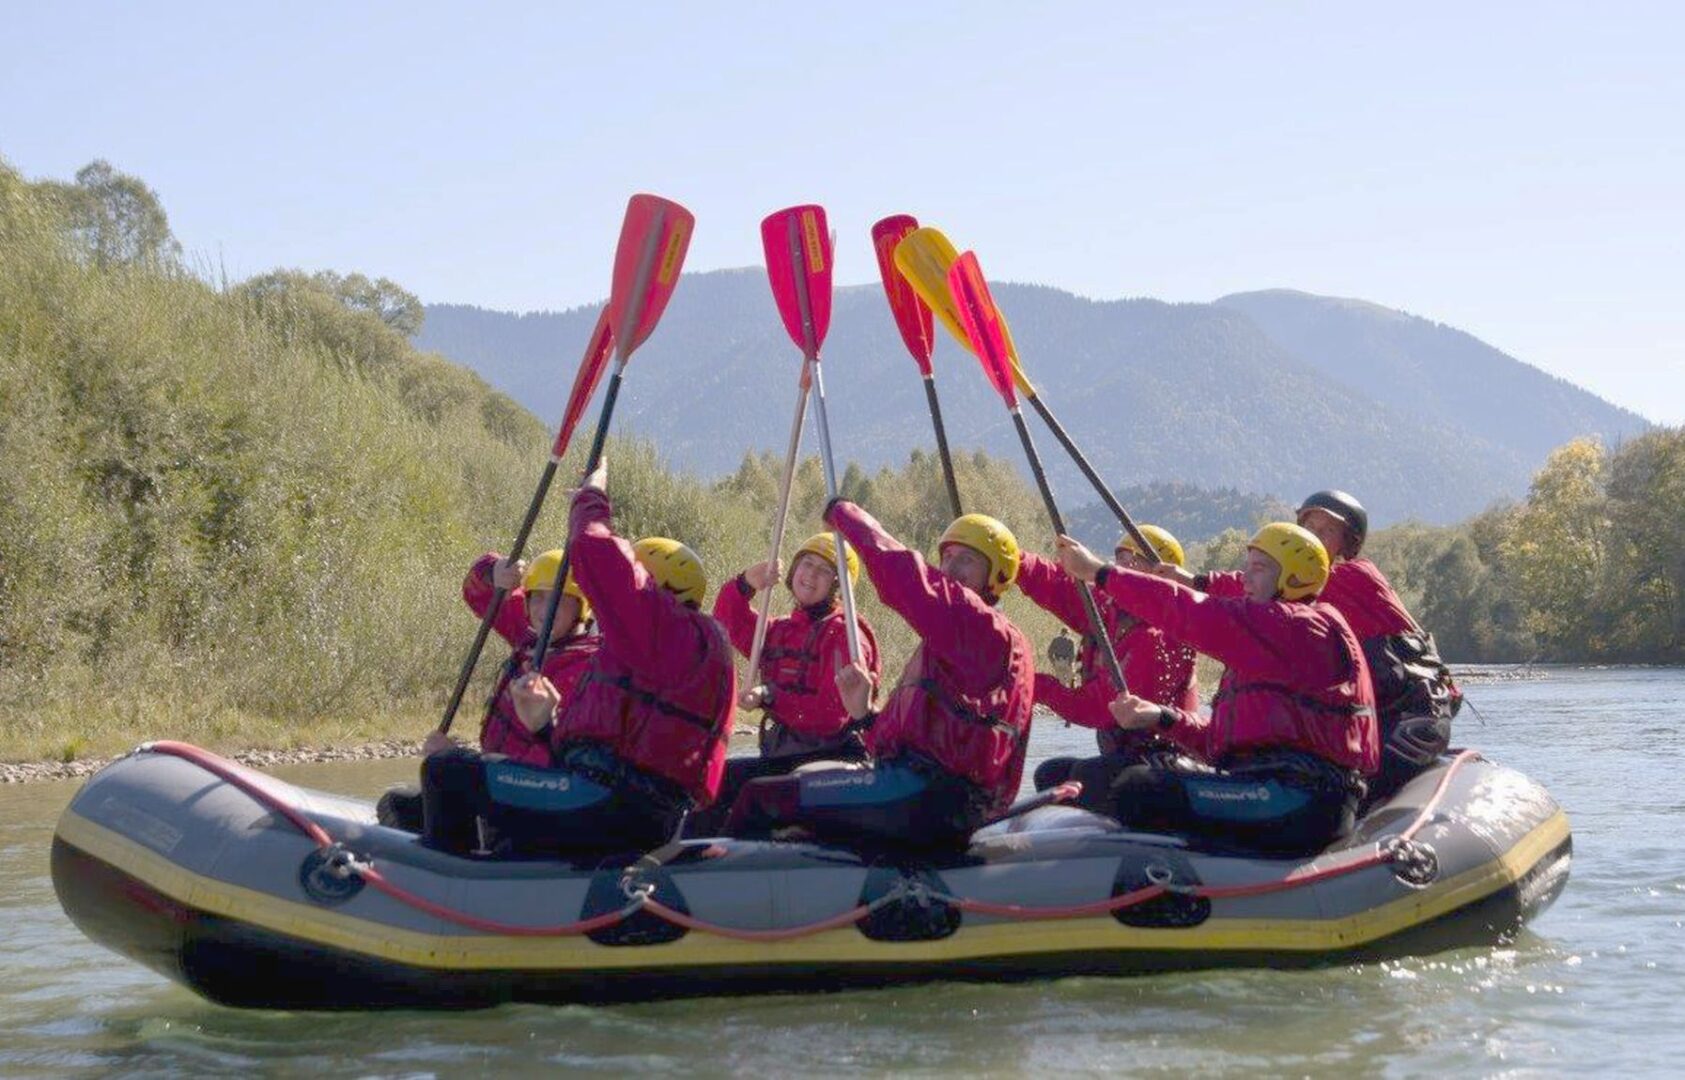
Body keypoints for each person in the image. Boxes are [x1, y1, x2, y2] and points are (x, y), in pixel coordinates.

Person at [419, 459, 735, 857]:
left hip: (606, 803)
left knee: (445, 771)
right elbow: (613, 742)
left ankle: (453, 883)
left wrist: (592, 493)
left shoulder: (660, 629)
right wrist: (546, 727)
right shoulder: (689, 643)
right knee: (447, 780)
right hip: (638, 808)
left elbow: (592, 546)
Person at [1054, 523, 1378, 856]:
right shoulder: (1264, 647)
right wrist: (1161, 717)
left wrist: (1100, 573)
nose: (1245, 579)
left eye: (1259, 568)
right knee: (1067, 777)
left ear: (1295, 578)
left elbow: (1193, 612)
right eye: (1246, 567)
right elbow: (1220, 741)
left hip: (1306, 799)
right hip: (1269, 786)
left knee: (1139, 790)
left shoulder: (1303, 627)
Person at [725, 506, 1035, 850]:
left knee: (761, 799)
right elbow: (901, 744)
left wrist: (845, 515)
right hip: (923, 787)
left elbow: (908, 579)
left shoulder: (987, 632)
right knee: (778, 790)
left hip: (937, 797)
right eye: (947, 557)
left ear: (996, 576)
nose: (950, 569)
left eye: (967, 560)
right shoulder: (952, 646)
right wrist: (865, 714)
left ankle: (719, 883)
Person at [1171, 491, 1459, 800]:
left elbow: (1255, 583)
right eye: (1309, 528)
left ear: (1347, 543)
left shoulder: (1357, 576)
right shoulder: (1299, 605)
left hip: (1415, 711)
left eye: (1326, 531)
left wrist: (1197, 582)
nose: (1314, 537)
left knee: (1370, 781)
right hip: (1371, 716)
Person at [376, 549, 599, 831]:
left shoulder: (592, 668)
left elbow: (561, 755)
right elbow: (480, 595)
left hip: (537, 792)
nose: (545, 609)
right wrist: (494, 572)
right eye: (538, 598)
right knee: (398, 804)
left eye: (559, 599)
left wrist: (469, 762)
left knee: (443, 770)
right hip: (499, 777)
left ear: (582, 608)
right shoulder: (530, 638)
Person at [686, 534, 882, 836]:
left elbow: (831, 716)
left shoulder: (846, 636)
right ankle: (689, 853)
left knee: (756, 795)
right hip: (786, 757)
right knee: (711, 779)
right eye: (807, 564)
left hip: (833, 758)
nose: (811, 575)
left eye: (824, 570)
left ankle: (732, 854)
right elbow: (727, 621)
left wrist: (769, 696)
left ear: (838, 586)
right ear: (793, 571)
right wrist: (744, 583)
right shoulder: (782, 630)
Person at [1018, 525, 1199, 802]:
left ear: (1161, 576)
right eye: (1121, 560)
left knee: (1088, 775)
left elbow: (1101, 709)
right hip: (1125, 758)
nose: (1123, 568)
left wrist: (1034, 685)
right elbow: (1058, 586)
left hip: (1162, 762)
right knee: (1051, 774)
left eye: (1134, 562)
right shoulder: (1109, 611)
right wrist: (1014, 560)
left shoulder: (1159, 637)